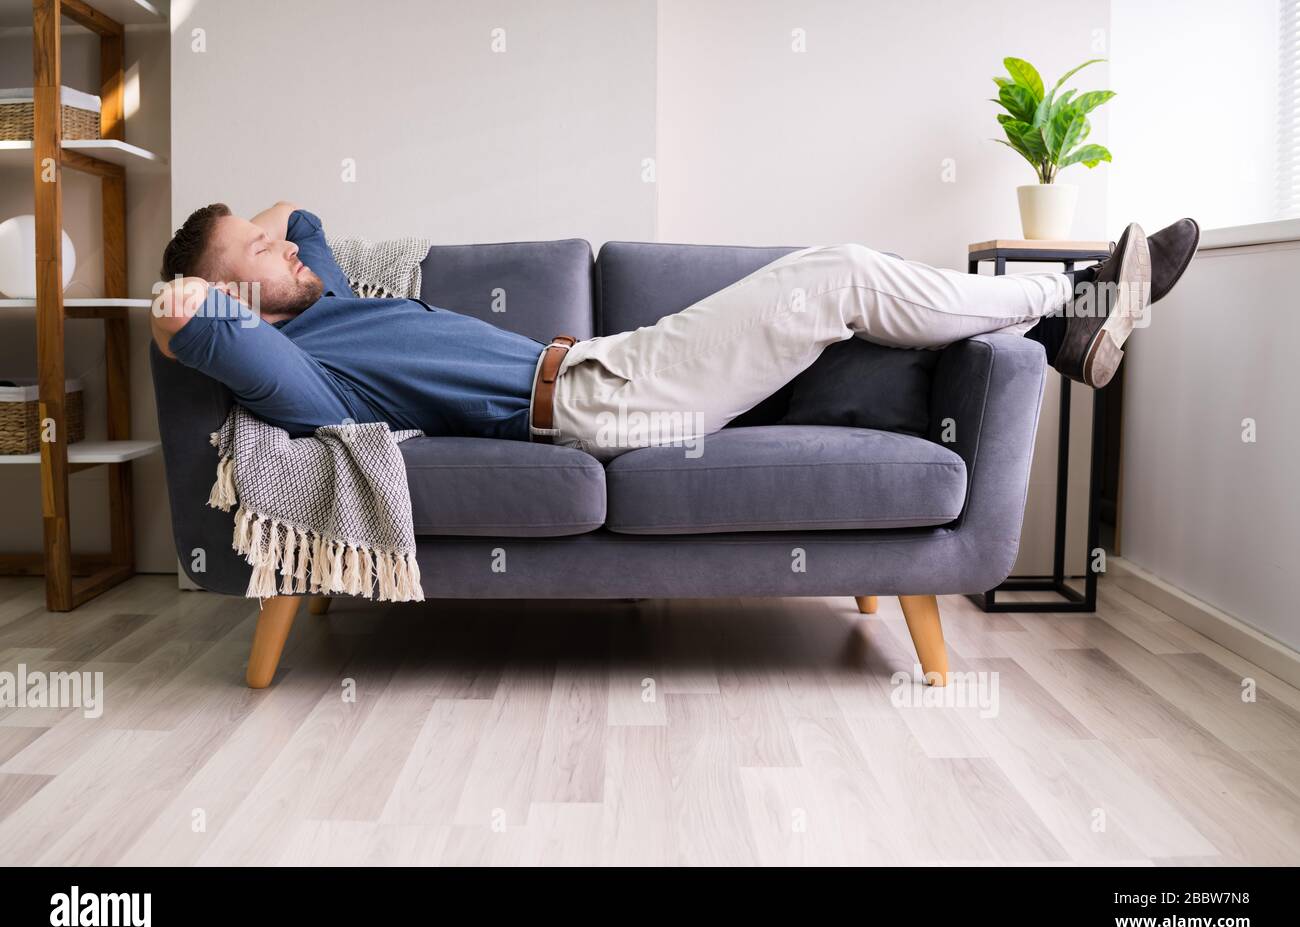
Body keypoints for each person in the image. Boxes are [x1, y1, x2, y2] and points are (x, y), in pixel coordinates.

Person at [151, 202, 1198, 460]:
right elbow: (225, 343)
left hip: (607, 369)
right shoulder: (305, 364)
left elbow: (306, 226)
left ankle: (1068, 322)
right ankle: (1072, 306)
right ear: (233, 299)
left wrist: (256, 246)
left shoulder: (327, 304)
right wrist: (201, 306)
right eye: (256, 253)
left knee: (826, 282)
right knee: (834, 273)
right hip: (595, 401)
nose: (283, 249)